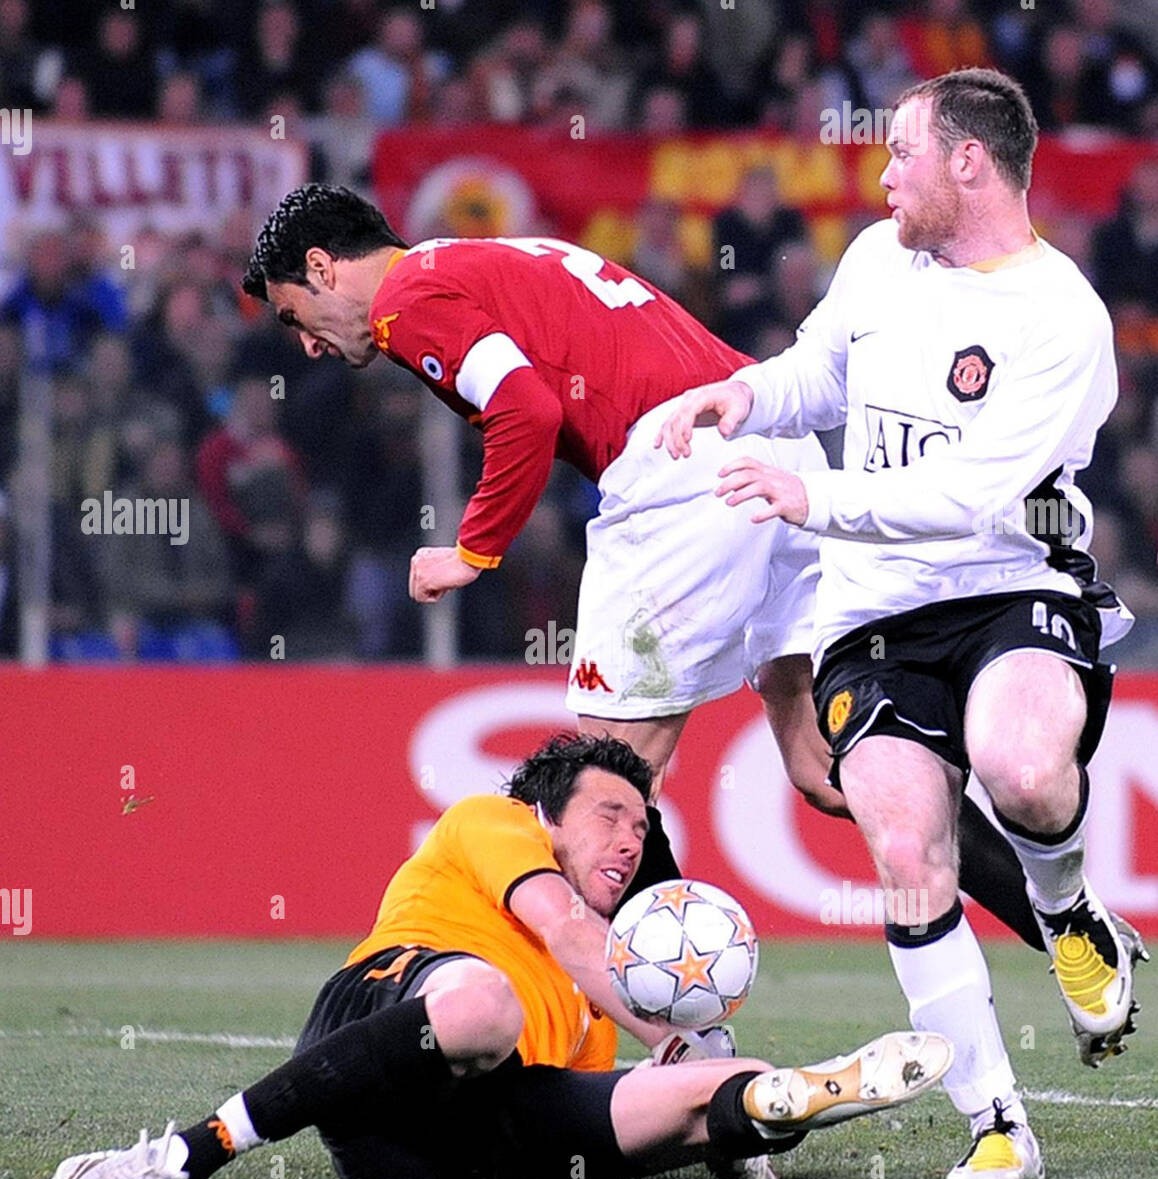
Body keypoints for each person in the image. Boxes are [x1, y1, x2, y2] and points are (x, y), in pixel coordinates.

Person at [238, 183, 1084, 962]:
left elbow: (523, 409)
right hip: (761, 442)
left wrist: (471, 550)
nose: (307, 344)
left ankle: (689, 1041)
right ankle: (1068, 928)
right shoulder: (473, 261)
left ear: (322, 267)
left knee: (602, 785)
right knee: (826, 768)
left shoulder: (406, 304)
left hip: (681, 468)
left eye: (293, 315)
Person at [657, 69, 1147, 1179]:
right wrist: (748, 396)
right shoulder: (879, 260)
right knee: (906, 844)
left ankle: (1069, 913)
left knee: (1025, 773)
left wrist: (812, 502)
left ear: (968, 162)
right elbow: (818, 373)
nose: (883, 177)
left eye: (901, 155)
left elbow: (974, 498)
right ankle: (996, 1120)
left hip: (1011, 580)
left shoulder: (1062, 317)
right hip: (874, 609)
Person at [48, 734, 952, 1179]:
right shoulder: (495, 821)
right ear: (547, 816)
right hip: (386, 1026)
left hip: (446, 1150)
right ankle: (184, 1154)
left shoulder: (602, 1001)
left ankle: (777, 1100)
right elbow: (560, 933)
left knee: (695, 1091)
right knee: (488, 1005)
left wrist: (707, 1092)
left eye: (643, 831)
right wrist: (671, 1030)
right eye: (610, 817)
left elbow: (598, 1086)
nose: (631, 843)